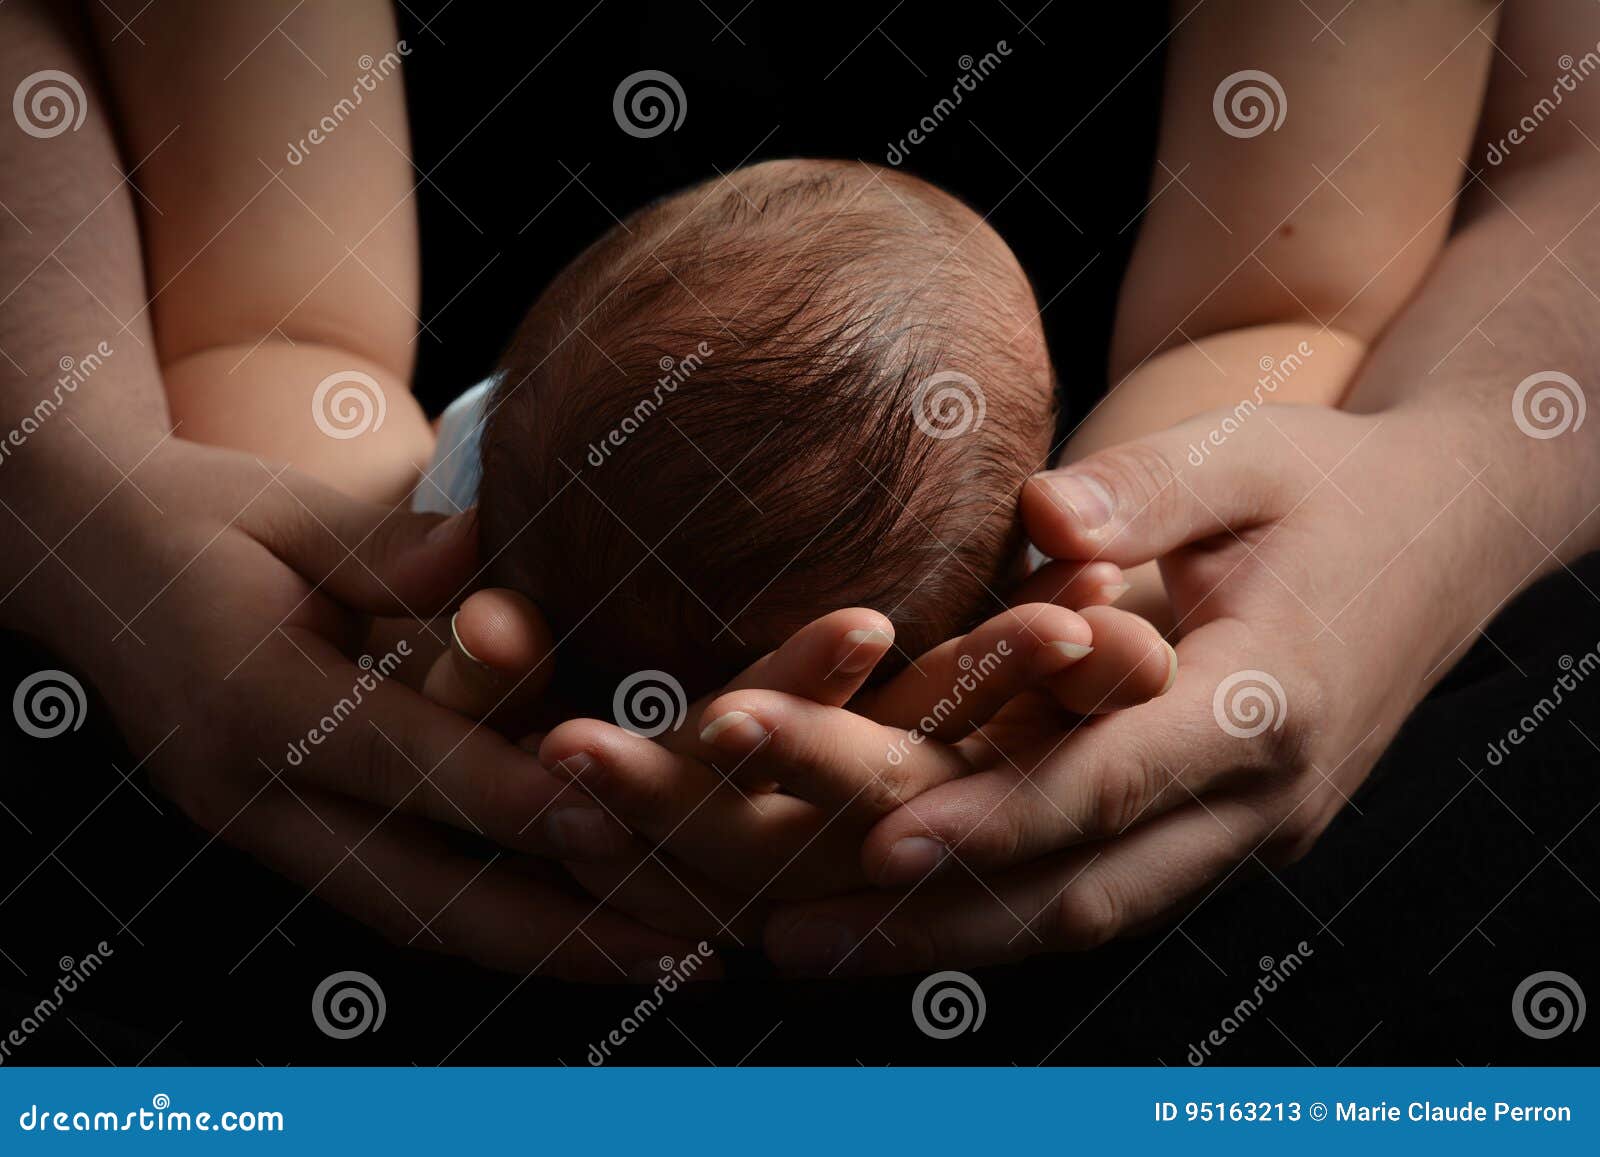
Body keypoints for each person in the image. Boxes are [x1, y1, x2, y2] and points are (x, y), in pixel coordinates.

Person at [3, 0, 1595, 983]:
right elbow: (1276, 321)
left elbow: (263, 336)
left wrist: (1453, 477)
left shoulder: (423, 509)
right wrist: (56, 454)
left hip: (1370, 505)